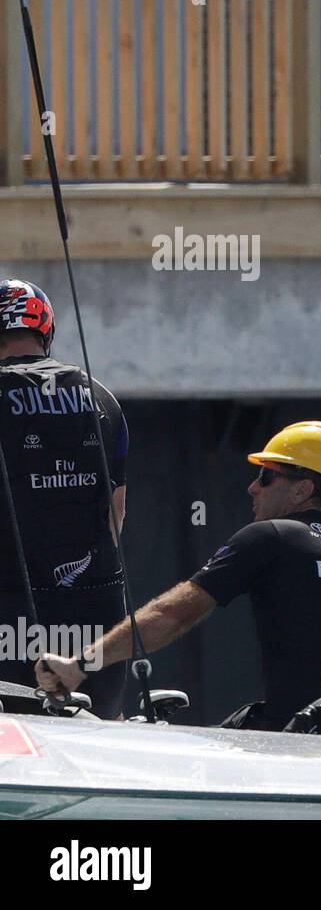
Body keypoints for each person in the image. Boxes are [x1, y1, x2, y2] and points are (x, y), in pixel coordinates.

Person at [37, 420, 321, 732]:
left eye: (266, 476)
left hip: (305, 745)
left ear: (303, 489)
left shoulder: (272, 535)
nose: (253, 487)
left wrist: (80, 665)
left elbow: (171, 614)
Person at [0, 279, 130, 718]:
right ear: (45, 330)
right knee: (95, 753)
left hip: (11, 617)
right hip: (99, 622)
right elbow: (117, 514)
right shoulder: (104, 398)